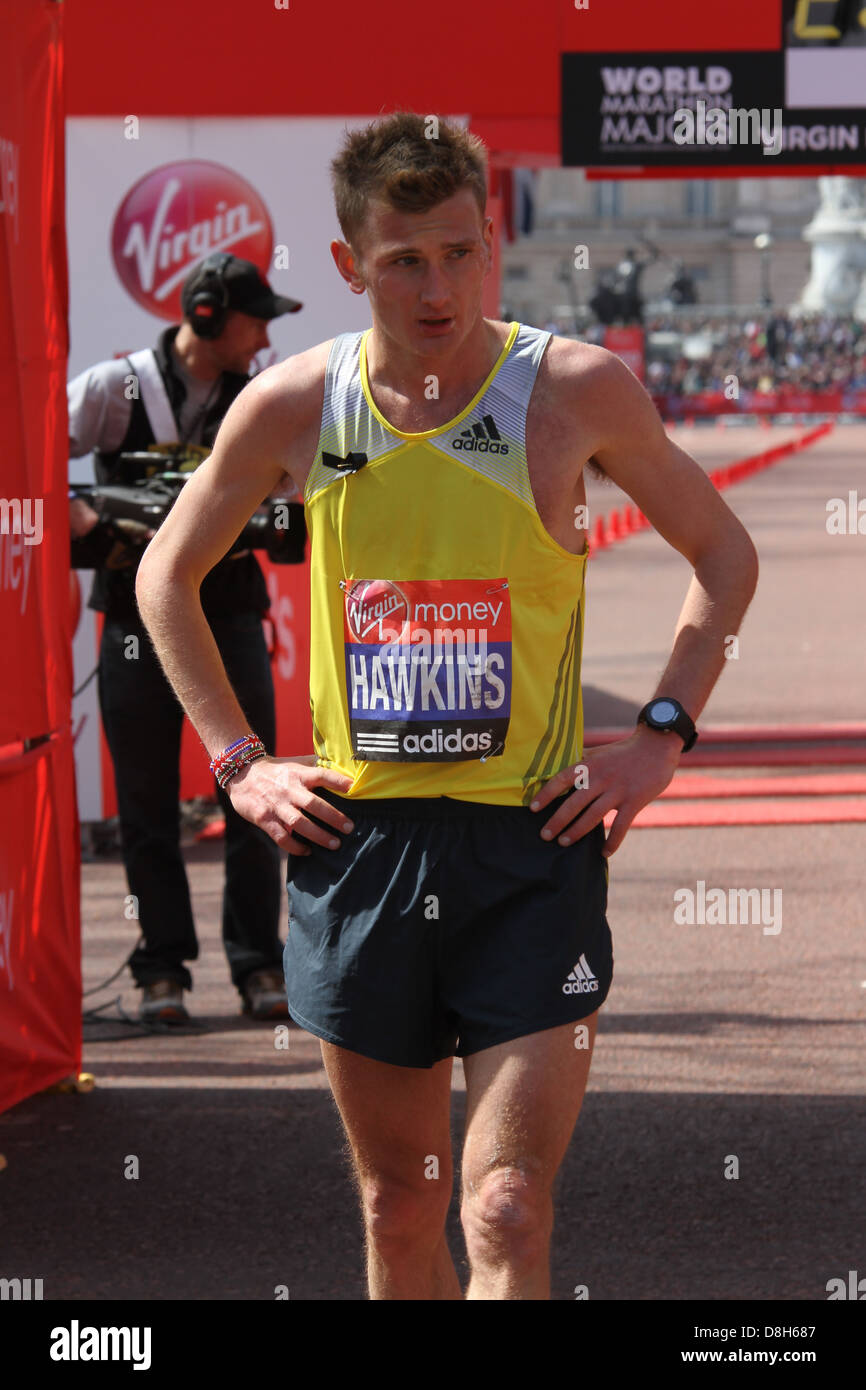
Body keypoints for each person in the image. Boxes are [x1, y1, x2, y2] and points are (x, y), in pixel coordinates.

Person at [134, 113, 758, 1297]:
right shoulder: (298, 404)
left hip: (530, 845)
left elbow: (724, 555)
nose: (438, 288)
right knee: (400, 1204)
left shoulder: (574, 390)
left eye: (461, 252)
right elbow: (165, 574)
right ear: (346, 266)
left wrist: (661, 737)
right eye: (403, 260)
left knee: (508, 1208)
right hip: (358, 846)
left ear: (493, 245)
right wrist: (238, 761)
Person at [68, 254, 303, 1023]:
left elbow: (299, 503)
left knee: (256, 792)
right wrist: (86, 518)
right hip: (135, 621)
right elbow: (31, 450)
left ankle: (259, 967)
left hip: (230, 614)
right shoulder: (114, 387)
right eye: (255, 318)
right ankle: (159, 971)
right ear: (206, 315)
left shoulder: (262, 397)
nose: (266, 335)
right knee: (145, 802)